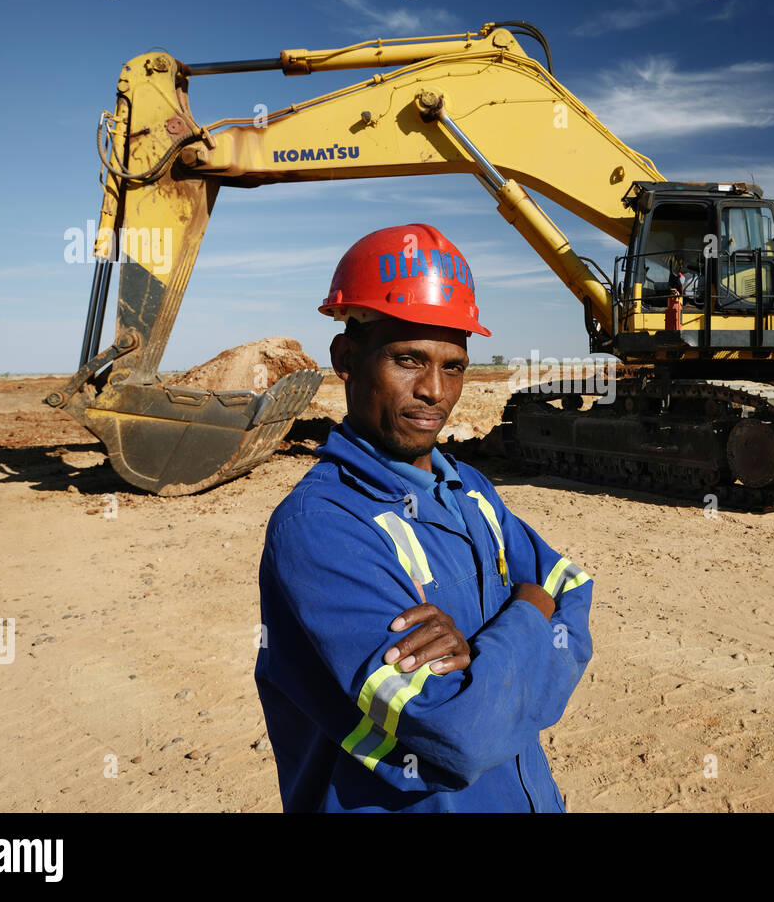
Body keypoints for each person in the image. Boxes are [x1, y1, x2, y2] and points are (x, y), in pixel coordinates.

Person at [254, 223, 594, 812]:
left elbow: (573, 589)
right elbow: (460, 731)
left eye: (454, 365)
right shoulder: (322, 524)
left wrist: (491, 653)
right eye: (407, 360)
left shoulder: (469, 488)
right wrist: (529, 611)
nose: (434, 391)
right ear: (346, 359)